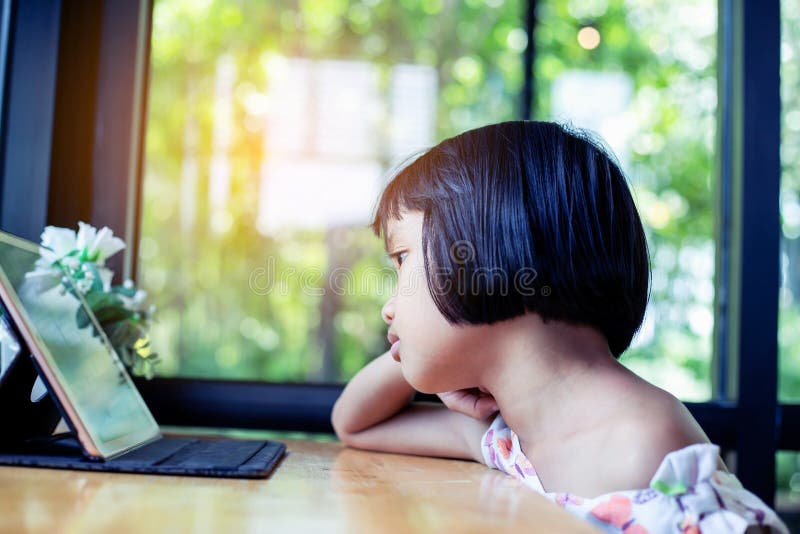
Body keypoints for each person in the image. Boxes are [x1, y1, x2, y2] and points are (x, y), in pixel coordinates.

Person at [330, 121, 788, 533]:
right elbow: (354, 425)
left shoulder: (645, 452)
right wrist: (423, 352)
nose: (389, 307)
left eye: (402, 258)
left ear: (492, 250)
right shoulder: (514, 439)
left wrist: (433, 345)